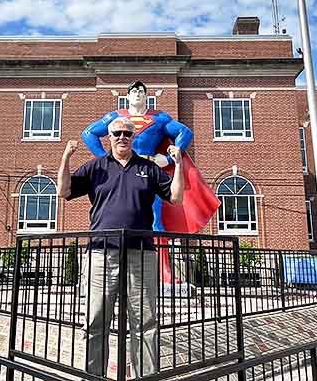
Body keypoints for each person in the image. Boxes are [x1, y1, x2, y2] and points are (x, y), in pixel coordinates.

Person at [57, 116, 184, 378]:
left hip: (141, 253)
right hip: (101, 254)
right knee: (95, 321)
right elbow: (64, 191)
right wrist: (66, 158)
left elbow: (176, 196)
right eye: (117, 133)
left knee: (146, 323)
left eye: (127, 133)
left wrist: (179, 163)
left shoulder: (148, 168)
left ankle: (145, 376)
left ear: (133, 136)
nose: (122, 137)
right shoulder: (96, 167)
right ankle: (95, 376)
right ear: (109, 137)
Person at [81, 81, 220, 282]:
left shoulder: (159, 117)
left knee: (155, 219)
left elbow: (185, 133)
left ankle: (163, 272)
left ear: (146, 96)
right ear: (127, 96)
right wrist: (105, 159)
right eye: (133, 90)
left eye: (141, 91)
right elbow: (88, 133)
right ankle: (107, 271)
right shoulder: (116, 117)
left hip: (147, 170)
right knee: (110, 214)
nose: (137, 93)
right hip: (120, 170)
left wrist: (170, 158)